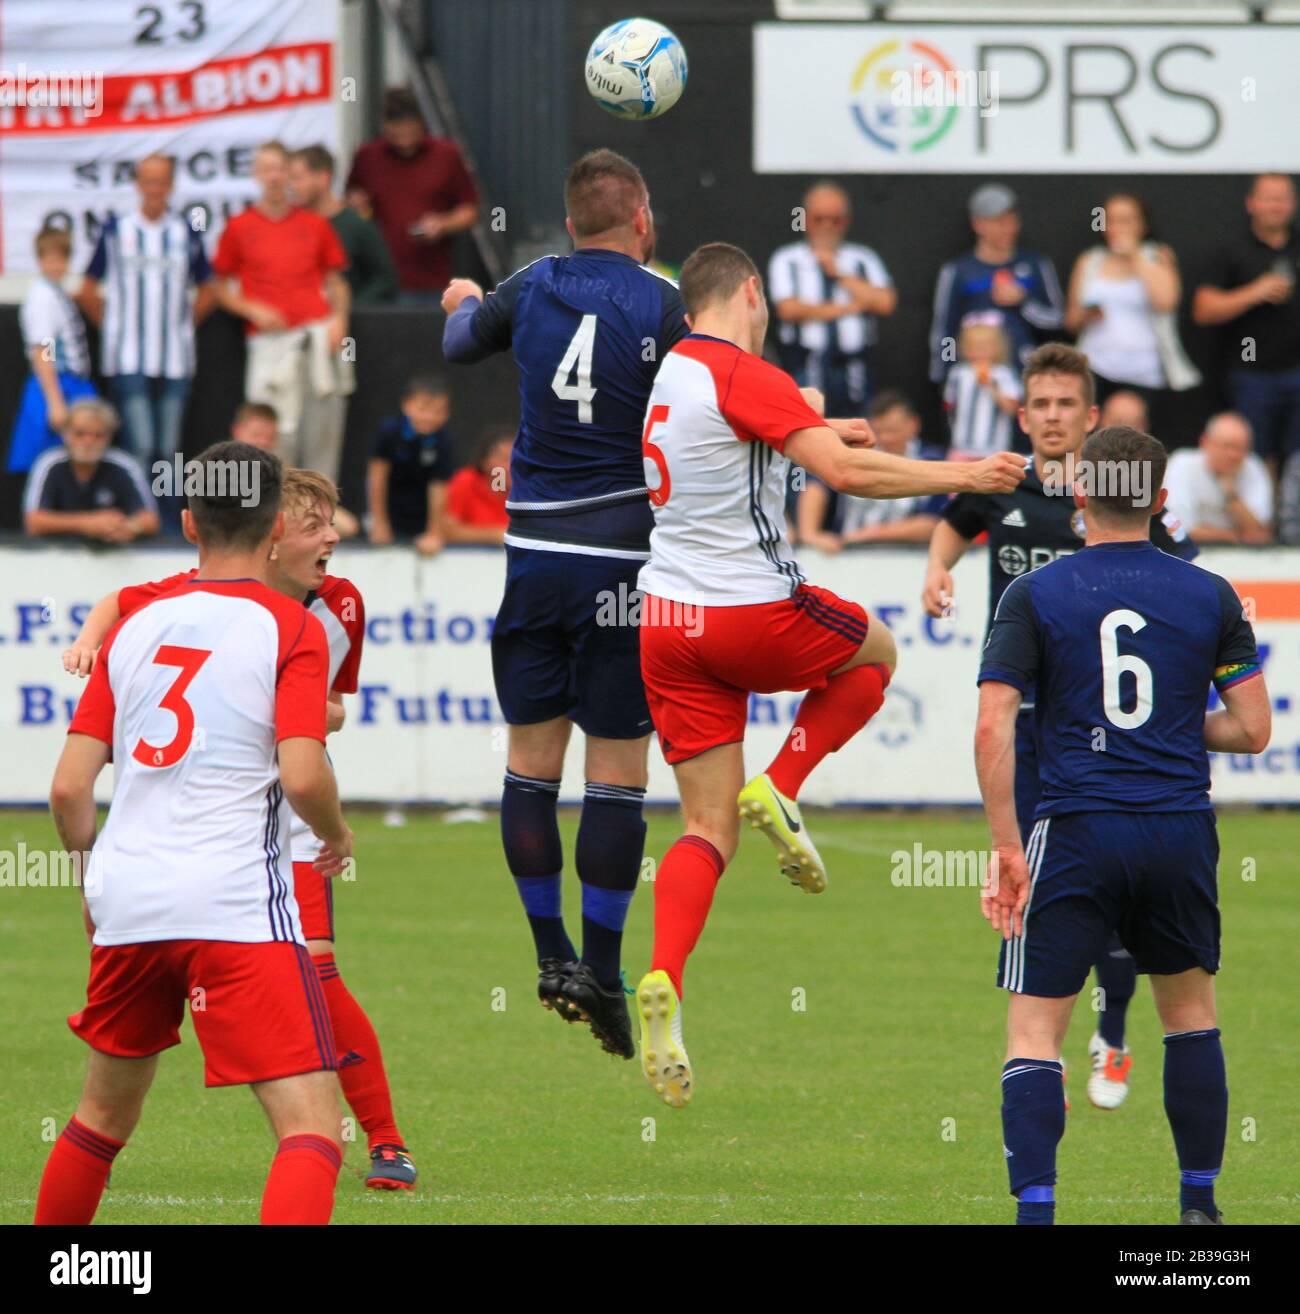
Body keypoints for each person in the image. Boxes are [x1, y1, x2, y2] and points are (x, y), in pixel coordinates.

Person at [631, 242, 1026, 1108]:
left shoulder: (672, 376)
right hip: (747, 611)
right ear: (751, 293)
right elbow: (846, 475)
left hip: (664, 621)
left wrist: (816, 423)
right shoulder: (740, 368)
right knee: (877, 652)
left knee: (704, 828)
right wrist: (968, 474)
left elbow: (750, 444)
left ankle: (664, 976)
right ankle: (784, 781)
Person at [61, 467, 415, 1191]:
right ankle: (374, 1137)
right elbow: (306, 769)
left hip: (147, 875)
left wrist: (86, 874)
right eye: (315, 523)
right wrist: (339, 830)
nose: (333, 537)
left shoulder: (333, 603)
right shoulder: (258, 619)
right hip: (243, 868)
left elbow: (68, 787)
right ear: (275, 532)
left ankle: (386, 1137)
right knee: (309, 1125)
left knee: (98, 1119)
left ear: (194, 524)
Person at [977, 425, 1271, 1226]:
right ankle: (1199, 1211)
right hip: (1177, 828)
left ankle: (1037, 1216)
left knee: (1036, 1030)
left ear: (1080, 500)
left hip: (1075, 827)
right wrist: (1174, 726)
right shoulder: (1207, 593)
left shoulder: (1034, 593)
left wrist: (1007, 843)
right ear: (1162, 502)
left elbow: (992, 727)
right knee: (1190, 1017)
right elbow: (1252, 728)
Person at [441, 148, 689, 1059]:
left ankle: (549, 959)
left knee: (530, 766)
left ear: (571, 220)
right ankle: (603, 967)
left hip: (533, 562)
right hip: (621, 564)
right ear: (643, 219)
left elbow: (459, 344)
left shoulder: (533, 284)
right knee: (617, 773)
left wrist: (462, 297)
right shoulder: (667, 305)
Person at [923, 344, 1199, 1109]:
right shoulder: (1002, 481)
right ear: (1023, 415)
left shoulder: (1117, 499)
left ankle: (1110, 1031)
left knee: (1103, 886)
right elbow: (956, 521)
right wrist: (936, 568)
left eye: (1065, 405)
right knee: (1036, 886)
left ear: (1091, 416)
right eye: (1039, 404)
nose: (1051, 417)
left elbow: (1189, 574)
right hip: (1022, 725)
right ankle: (1039, 1043)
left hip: (1098, 730)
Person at [76, 153, 215, 516]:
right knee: (141, 444)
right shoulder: (115, 229)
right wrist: (115, 328)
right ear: (138, 184)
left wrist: (181, 326)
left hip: (175, 360)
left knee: (170, 449)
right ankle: (140, 515)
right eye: (148, 181)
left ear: (170, 185)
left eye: (161, 181)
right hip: (128, 358)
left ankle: (168, 523)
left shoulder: (186, 231)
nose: (154, 189)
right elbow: (88, 289)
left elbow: (208, 289)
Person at [212, 141, 353, 483]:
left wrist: (339, 322)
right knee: (269, 430)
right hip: (270, 343)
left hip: (315, 336)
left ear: (290, 173)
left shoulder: (314, 225)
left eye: (280, 169)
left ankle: (319, 512)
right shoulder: (240, 226)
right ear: (256, 174)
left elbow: (337, 284)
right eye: (266, 169)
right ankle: (267, 509)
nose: (274, 177)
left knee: (322, 427)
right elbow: (219, 286)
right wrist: (250, 307)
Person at [1193, 173, 1300, 475]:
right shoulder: (1231, 249)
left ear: (1293, 203)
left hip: (1297, 370)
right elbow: (1203, 310)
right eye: (1268, 198)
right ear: (1251, 203)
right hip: (1251, 373)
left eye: (1282, 198)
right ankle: (1259, 519)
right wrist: (1255, 292)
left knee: (1296, 461)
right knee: (1253, 458)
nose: (1275, 206)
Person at [1064, 192, 1199, 430]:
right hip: (1095, 368)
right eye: (1113, 220)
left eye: (1127, 220)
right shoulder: (1090, 261)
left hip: (1143, 372)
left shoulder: (1158, 256)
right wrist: (1088, 314)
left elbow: (1166, 302)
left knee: (1134, 445)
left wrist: (1134, 255)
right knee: (1091, 439)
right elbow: (1071, 321)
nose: (1119, 227)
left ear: (1143, 225)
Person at [768, 180, 896, 418]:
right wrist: (848, 308)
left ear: (845, 222)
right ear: (805, 219)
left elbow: (885, 302)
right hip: (807, 363)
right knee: (808, 428)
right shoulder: (788, 259)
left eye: (835, 220)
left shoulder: (862, 259)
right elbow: (788, 309)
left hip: (855, 368)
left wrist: (839, 273)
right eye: (819, 219)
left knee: (857, 432)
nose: (827, 226)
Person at [347, 87, 479, 302]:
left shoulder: (446, 155)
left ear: (422, 125)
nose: (405, 143)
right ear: (385, 126)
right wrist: (358, 206)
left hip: (430, 282)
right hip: (377, 283)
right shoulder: (367, 156)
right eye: (397, 135)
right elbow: (351, 204)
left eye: (411, 134)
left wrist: (443, 223)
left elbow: (470, 210)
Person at [930, 183, 1064, 384]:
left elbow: (1057, 320)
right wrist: (946, 374)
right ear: (978, 224)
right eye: (1000, 222)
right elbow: (945, 330)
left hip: (1025, 375)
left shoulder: (1036, 264)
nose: (1009, 228)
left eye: (1013, 220)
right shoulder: (958, 271)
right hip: (975, 377)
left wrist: (1023, 301)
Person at [797, 390, 946, 551]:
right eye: (879, 431)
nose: (885, 438)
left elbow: (933, 523)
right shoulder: (854, 450)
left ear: (913, 425)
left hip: (907, 555)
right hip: (846, 553)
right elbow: (815, 485)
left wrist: (869, 535)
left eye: (892, 431)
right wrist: (810, 533)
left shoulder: (932, 460)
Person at [7, 225, 97, 474]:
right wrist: (55, 402)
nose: (56, 265)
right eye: (50, 259)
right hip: (56, 385)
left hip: (71, 384)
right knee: (50, 460)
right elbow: (43, 350)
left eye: (61, 259)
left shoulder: (57, 294)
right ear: (40, 260)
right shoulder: (43, 298)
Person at [23, 398, 159, 543]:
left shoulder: (123, 464)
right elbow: (33, 522)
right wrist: (87, 523)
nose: (88, 442)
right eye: (80, 434)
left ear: (109, 437)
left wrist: (129, 527)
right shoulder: (49, 463)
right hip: (55, 556)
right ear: (65, 434)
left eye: (98, 435)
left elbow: (150, 520)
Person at [288, 144, 398, 306]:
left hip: (347, 324)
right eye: (290, 179)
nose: (291, 186)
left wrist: (350, 308)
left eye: (297, 178)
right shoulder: (290, 225)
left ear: (323, 178)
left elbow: (385, 279)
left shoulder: (356, 226)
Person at [234, 400, 360, 538]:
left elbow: (347, 526)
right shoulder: (218, 475)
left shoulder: (282, 476)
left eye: (270, 437)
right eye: (257, 435)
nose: (263, 443)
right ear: (238, 431)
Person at [366, 374, 455, 553]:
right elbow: (377, 478)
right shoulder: (389, 431)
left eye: (439, 411)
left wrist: (434, 532)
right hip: (389, 510)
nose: (430, 417)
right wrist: (380, 523)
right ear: (406, 405)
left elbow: (438, 487)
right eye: (423, 408)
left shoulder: (444, 440)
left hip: (422, 515)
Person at [1163, 412, 1274, 545]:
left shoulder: (1253, 466)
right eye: (1226, 446)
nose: (1233, 455)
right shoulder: (1182, 463)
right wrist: (1232, 537)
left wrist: (1232, 497)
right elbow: (1176, 530)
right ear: (1204, 442)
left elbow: (1261, 534)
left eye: (1240, 448)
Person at [943, 314, 1022, 456]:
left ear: (998, 347)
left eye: (985, 346)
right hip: (961, 448)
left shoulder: (1004, 373)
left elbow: (1012, 408)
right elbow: (949, 406)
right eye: (975, 347)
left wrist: (992, 387)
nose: (980, 351)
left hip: (994, 450)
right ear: (965, 348)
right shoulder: (958, 373)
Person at [445, 430, 512, 545]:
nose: (513, 466)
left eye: (519, 460)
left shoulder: (529, 490)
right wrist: (493, 535)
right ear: (484, 462)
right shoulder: (466, 481)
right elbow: (447, 531)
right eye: (505, 459)